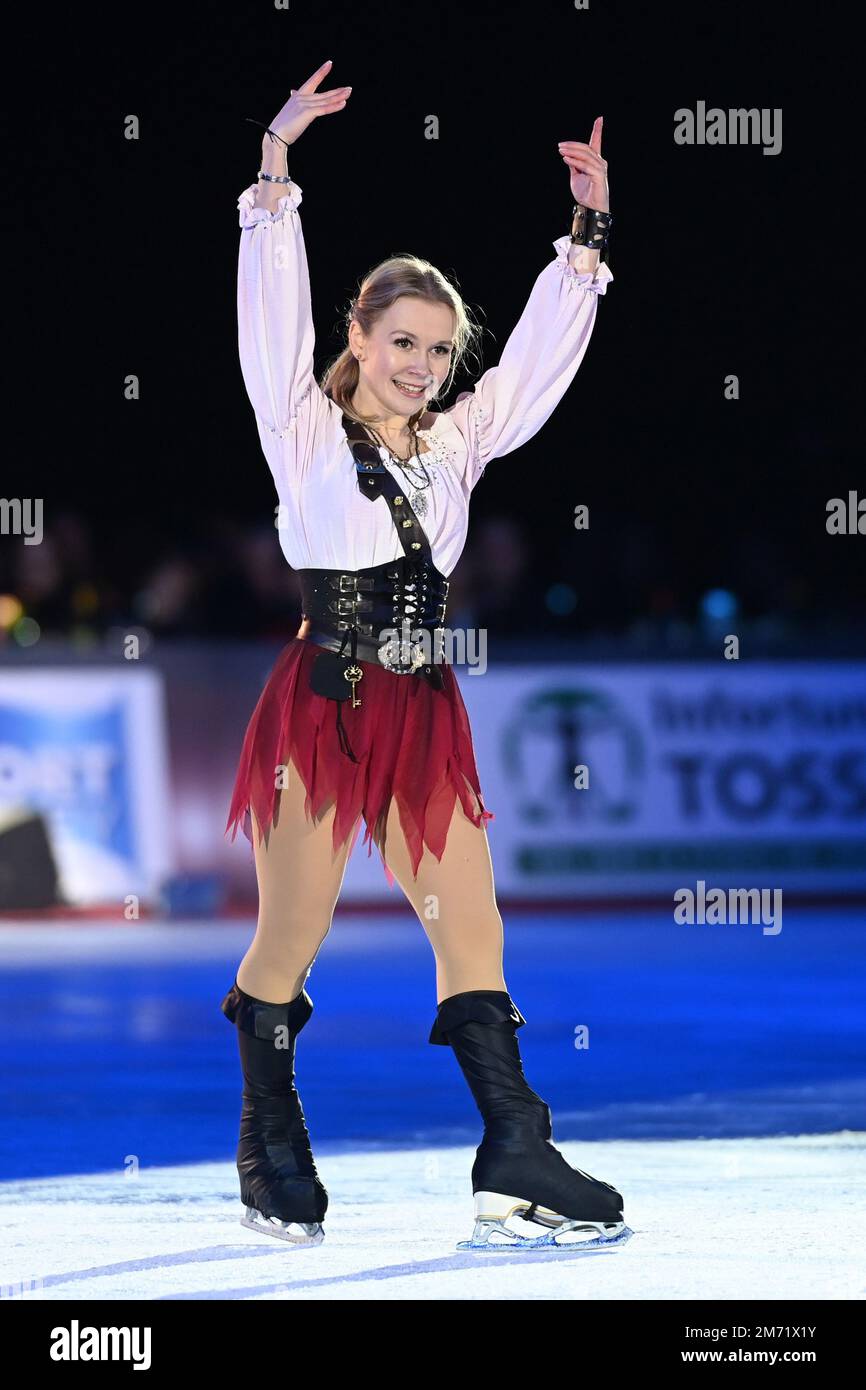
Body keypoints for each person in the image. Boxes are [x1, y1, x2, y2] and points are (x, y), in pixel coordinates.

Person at [219, 60, 631, 1251]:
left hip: (421, 707)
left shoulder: (458, 443)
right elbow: (266, 311)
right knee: (290, 933)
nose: (422, 367)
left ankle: (514, 1147)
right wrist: (275, 170)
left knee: (472, 927)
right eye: (402, 342)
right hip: (319, 703)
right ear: (356, 331)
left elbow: (536, 367)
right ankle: (269, 1133)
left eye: (439, 352)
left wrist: (584, 237)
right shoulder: (298, 427)